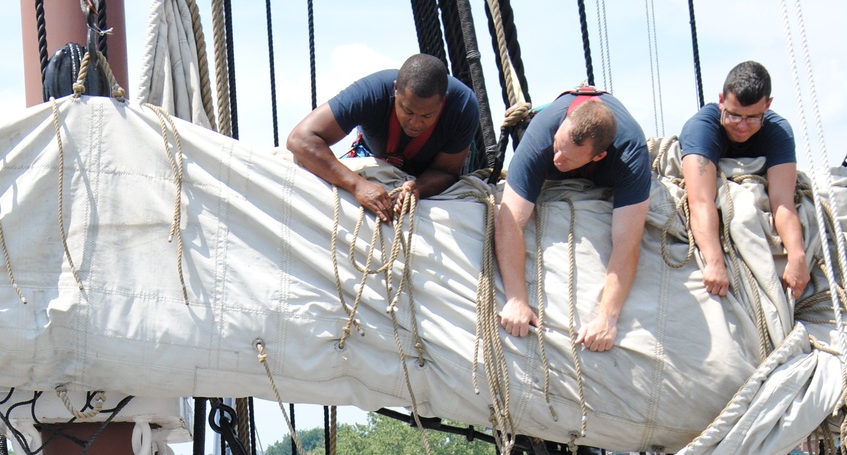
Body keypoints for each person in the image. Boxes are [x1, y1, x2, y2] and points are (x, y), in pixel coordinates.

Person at [495, 87, 652, 352]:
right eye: (558, 147)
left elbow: (627, 245)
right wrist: (516, 299)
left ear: (599, 156)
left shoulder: (630, 156)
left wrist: (607, 319)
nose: (556, 158)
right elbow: (509, 222)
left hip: (610, 168)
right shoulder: (543, 137)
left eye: (566, 157)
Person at [286, 53, 480, 224]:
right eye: (408, 111)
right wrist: (357, 185)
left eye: (427, 116)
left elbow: (446, 171)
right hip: (373, 154)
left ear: (443, 100)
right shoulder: (372, 93)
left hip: (427, 173)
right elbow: (300, 139)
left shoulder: (463, 108)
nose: (415, 123)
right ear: (395, 89)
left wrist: (418, 189)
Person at [679, 60, 808, 301]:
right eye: (734, 115)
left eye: (752, 118)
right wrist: (714, 262)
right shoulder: (701, 129)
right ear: (721, 100)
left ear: (768, 106)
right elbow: (700, 200)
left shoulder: (777, 132)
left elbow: (782, 202)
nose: (741, 126)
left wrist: (797, 256)